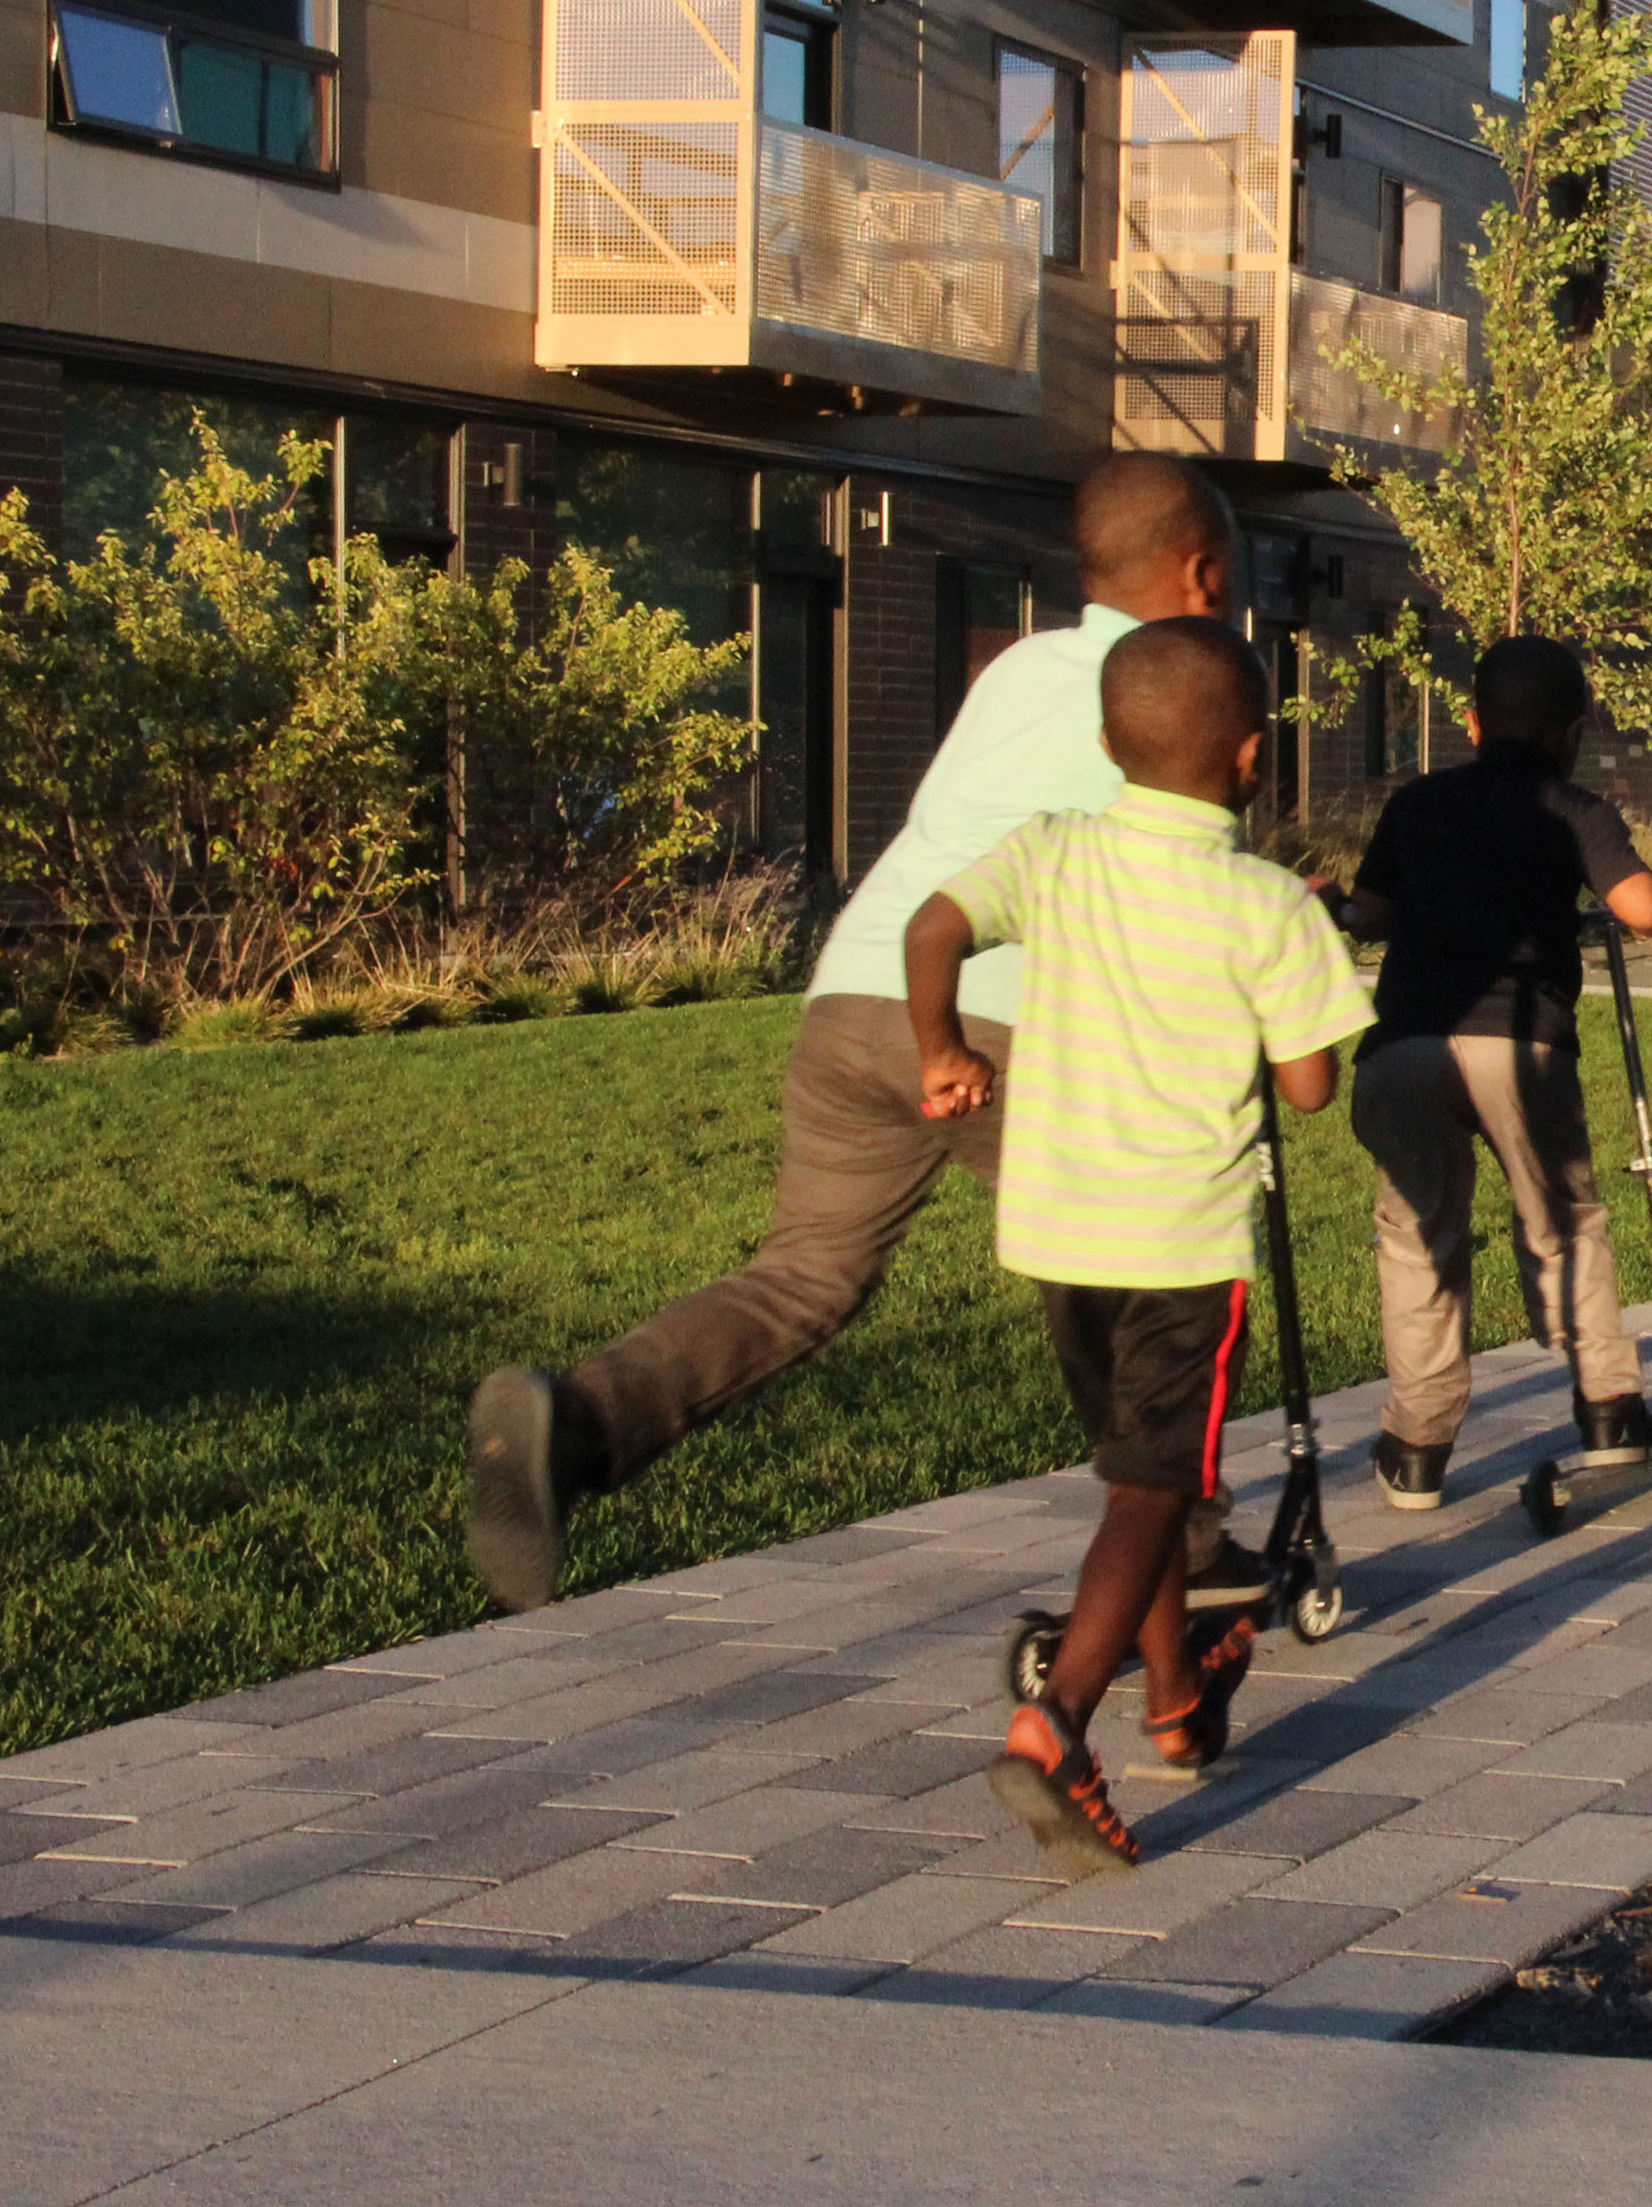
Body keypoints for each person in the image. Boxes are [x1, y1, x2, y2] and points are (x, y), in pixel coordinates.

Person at [461, 457, 1239, 1615]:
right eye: (1232, 586)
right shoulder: (1182, 687)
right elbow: (1181, 882)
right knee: (1130, 1270)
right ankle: (1181, 1539)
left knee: (802, 1277)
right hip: (1012, 1012)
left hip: (860, 989)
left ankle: (576, 1421)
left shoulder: (1020, 667)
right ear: (1202, 574)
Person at [909, 618, 1370, 1871]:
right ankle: (1057, 1725)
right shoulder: (1266, 904)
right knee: (1154, 1484)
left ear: (1108, 744)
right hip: (1181, 1243)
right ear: (1253, 759)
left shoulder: (1051, 853)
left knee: (1141, 1474)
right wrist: (1298, 977)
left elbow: (933, 927)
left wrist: (943, 1048)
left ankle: (1174, 1702)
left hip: (1059, 1230)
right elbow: (1314, 1086)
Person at [1334, 636, 1652, 1511]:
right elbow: (1642, 908)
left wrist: (1330, 903)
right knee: (1562, 1221)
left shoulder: (1417, 803)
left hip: (1408, 1045)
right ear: (1573, 730)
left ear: (1470, 722)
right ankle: (1610, 1410)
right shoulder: (1571, 806)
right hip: (1519, 1043)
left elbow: (1370, 915)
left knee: (1419, 1235)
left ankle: (1417, 1447)